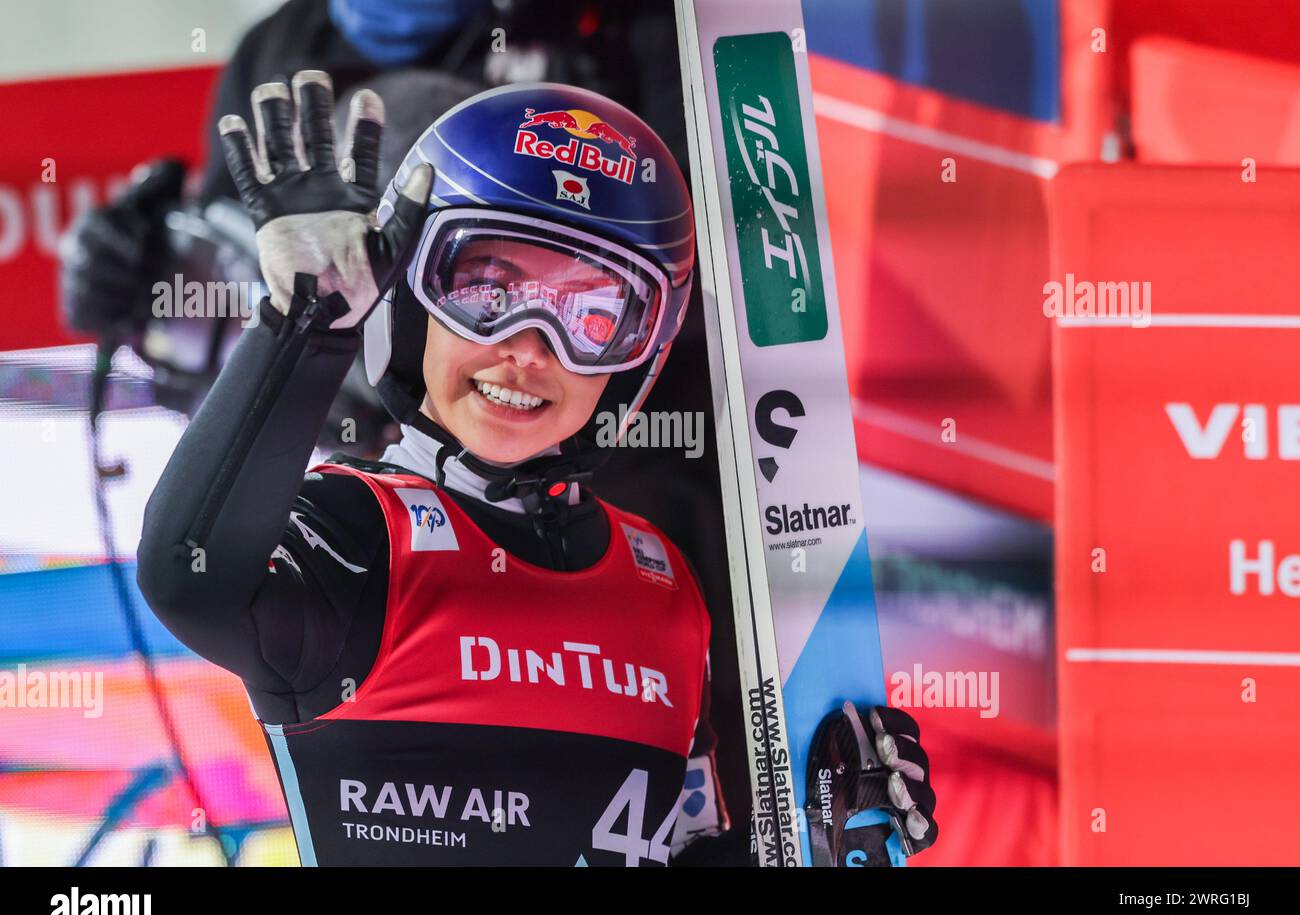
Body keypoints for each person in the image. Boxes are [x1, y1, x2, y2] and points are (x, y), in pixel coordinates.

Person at [136, 70, 937, 865]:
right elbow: (188, 578)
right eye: (487, 291)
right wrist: (306, 328)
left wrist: (811, 838)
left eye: (590, 314)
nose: (527, 349)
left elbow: (683, 852)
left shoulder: (662, 583)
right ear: (412, 302)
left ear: (632, 360)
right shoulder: (357, 535)